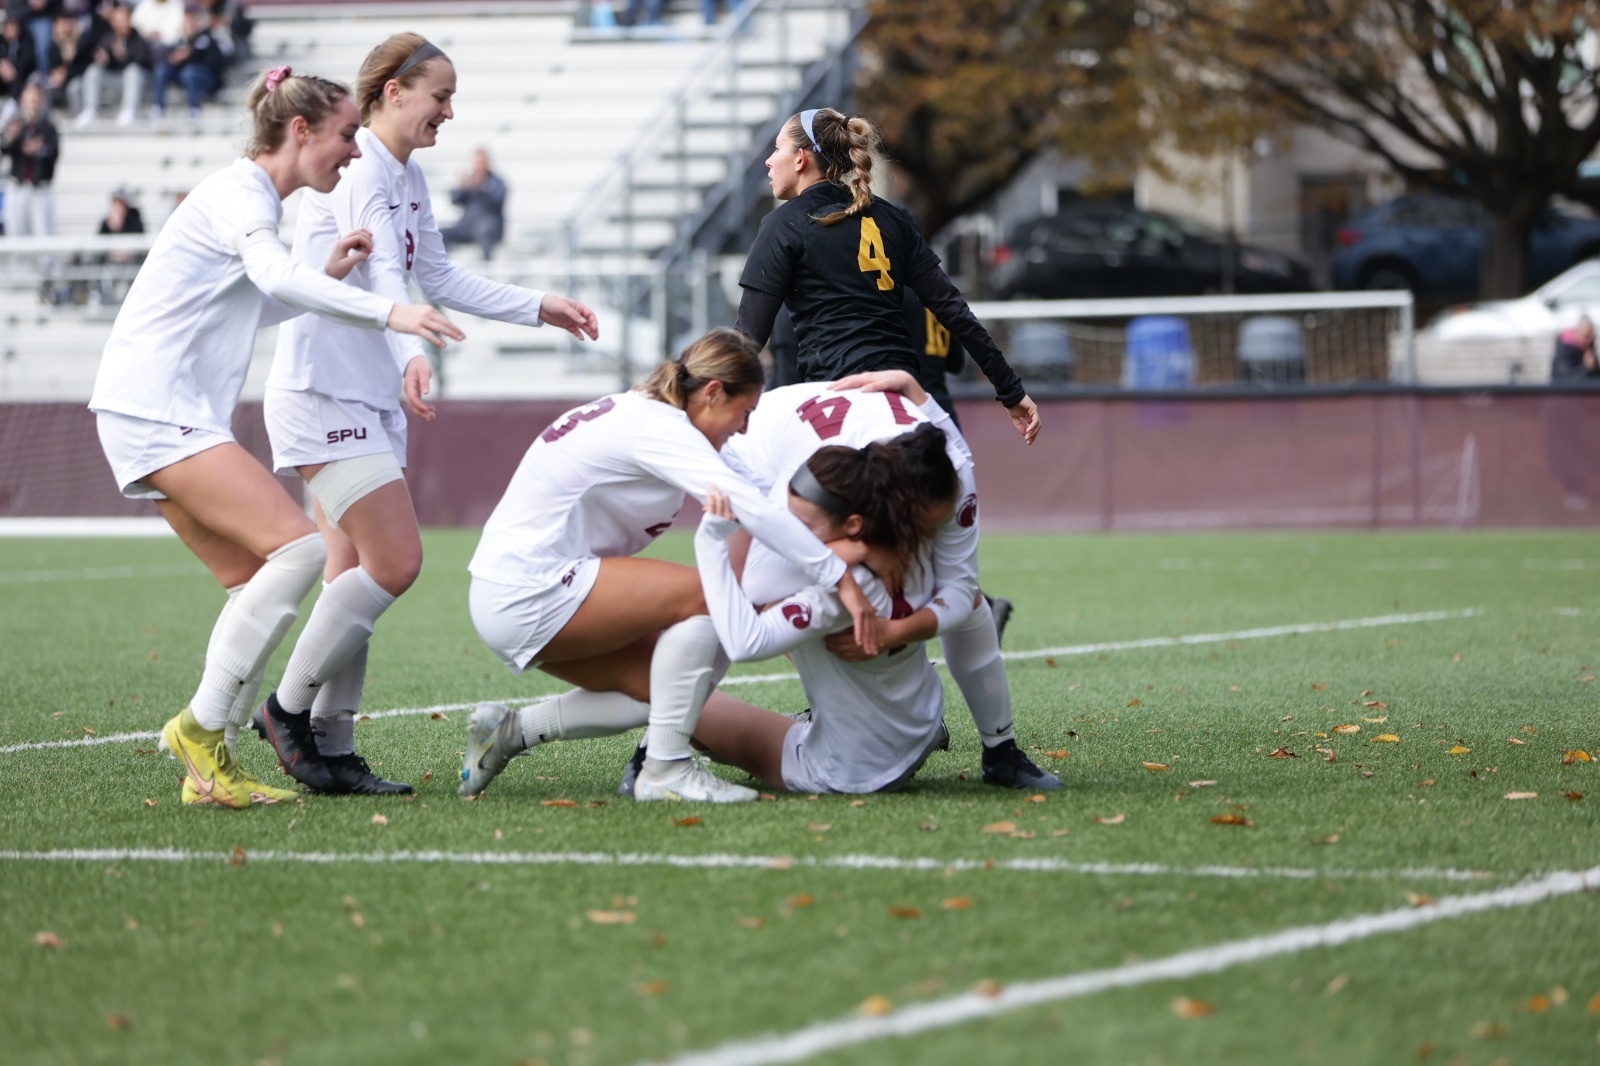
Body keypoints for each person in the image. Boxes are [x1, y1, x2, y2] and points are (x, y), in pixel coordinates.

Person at [86, 65, 465, 810]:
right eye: (344, 136)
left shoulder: (249, 197)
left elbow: (255, 302)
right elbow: (273, 275)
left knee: (251, 586)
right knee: (301, 551)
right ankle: (200, 730)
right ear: (299, 132)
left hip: (147, 409)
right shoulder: (243, 195)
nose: (354, 152)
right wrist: (393, 314)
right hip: (156, 410)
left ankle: (207, 766)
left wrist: (322, 271)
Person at [250, 33, 599, 797]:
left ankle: (331, 751)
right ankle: (283, 711)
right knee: (395, 564)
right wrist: (412, 345)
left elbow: (432, 271)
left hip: (367, 394)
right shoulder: (360, 165)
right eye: (439, 95)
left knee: (353, 576)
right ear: (393, 92)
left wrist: (536, 306)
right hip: (323, 391)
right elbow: (378, 267)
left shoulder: (404, 172)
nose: (449, 110)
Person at [458, 327, 881, 804]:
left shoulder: (663, 417)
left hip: (515, 588)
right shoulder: (659, 426)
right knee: (709, 598)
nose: (743, 428)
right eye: (744, 413)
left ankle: (509, 732)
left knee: (664, 692)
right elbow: (753, 510)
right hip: (526, 588)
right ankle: (666, 770)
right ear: (713, 392)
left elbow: (763, 490)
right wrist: (839, 576)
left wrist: (845, 532)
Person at [707, 368, 1061, 790]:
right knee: (728, 599)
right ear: (867, 516)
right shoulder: (816, 484)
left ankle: (1002, 750)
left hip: (844, 439)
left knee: (968, 601)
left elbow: (962, 591)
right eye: (917, 528)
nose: (929, 540)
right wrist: (840, 565)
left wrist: (895, 631)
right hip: (758, 448)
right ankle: (657, 751)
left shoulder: (953, 472)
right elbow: (758, 587)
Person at [734, 106, 1041, 446]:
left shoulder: (784, 223)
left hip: (838, 401)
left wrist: (707, 404)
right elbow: (954, 310)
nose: (769, 160)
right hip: (907, 397)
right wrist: (1011, 391)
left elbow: (748, 338)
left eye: (777, 148)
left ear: (800, 158)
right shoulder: (893, 218)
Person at [682, 433, 955, 794]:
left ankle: (657, 762)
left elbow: (746, 642)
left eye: (805, 528)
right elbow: (966, 599)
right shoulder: (913, 543)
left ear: (855, 525)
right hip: (918, 723)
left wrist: (710, 540)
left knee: (676, 697)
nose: (792, 538)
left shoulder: (836, 589)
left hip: (851, 769)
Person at [74, 0, 150, 127]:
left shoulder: (138, 38)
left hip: (135, 81)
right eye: (117, 20)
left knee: (133, 71)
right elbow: (102, 57)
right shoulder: (108, 37)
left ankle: (129, 110)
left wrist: (125, 56)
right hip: (114, 80)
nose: (121, 24)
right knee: (93, 70)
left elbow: (143, 62)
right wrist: (105, 59)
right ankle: (90, 110)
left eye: (123, 19)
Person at [1, 79, 57, 240]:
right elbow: (4, 149)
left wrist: (40, 149)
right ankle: (18, 265)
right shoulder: (16, 125)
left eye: (36, 100)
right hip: (18, 185)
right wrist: (9, 137)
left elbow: (54, 153)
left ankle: (46, 264)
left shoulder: (48, 127)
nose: (33, 104)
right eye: (30, 99)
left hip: (39, 188)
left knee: (43, 233)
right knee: (16, 231)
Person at [148, 4, 223, 120]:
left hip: (208, 79)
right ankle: (158, 106)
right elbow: (173, 58)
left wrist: (189, 56)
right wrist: (176, 58)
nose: (189, 23)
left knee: (190, 72)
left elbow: (214, 63)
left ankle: (194, 108)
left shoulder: (207, 39)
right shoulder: (181, 41)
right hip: (184, 77)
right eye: (187, 20)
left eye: (192, 20)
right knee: (162, 69)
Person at [439, 145, 505, 260]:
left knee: (485, 231)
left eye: (482, 162)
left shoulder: (497, 182)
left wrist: (482, 187)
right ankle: (443, 267)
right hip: (467, 227)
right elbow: (454, 200)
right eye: (477, 162)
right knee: (441, 233)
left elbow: (498, 200)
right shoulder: (470, 181)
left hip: (488, 227)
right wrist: (462, 187)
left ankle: (487, 268)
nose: (479, 166)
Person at [0, 14, 37, 127]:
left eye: (13, 26)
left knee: (21, 78)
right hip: (3, 77)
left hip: (21, 77)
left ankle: (10, 107)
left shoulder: (26, 40)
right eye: (8, 26)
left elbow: (27, 60)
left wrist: (13, 68)